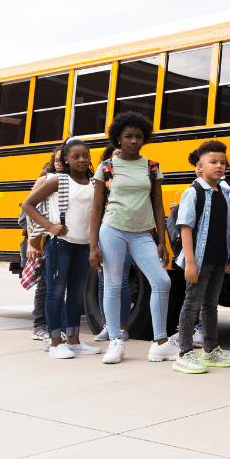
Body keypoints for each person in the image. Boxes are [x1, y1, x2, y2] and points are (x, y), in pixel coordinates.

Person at [90, 111, 175, 365]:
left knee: (162, 281)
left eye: (139, 136)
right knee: (113, 284)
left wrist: (162, 241)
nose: (134, 140)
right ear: (118, 138)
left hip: (142, 233)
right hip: (112, 230)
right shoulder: (107, 167)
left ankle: (160, 343)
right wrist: (93, 245)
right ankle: (115, 341)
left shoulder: (152, 167)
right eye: (128, 136)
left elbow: (158, 204)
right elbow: (96, 208)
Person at [21, 138, 100, 359]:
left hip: (83, 244)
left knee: (75, 293)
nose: (81, 160)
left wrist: (94, 245)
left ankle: (73, 341)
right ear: (66, 159)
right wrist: (50, 226)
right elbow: (27, 205)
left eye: (85, 155)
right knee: (55, 292)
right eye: (75, 156)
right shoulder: (58, 180)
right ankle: (55, 342)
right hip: (59, 244)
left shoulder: (94, 183)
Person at [171, 140, 230, 374]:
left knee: (211, 305)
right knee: (191, 305)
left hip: (218, 259)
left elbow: (224, 226)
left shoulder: (224, 191)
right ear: (199, 167)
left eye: (223, 162)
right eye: (213, 162)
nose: (219, 166)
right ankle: (184, 354)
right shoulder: (193, 193)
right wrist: (190, 263)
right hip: (199, 261)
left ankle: (210, 350)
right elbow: (186, 227)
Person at [25, 147, 64, 341]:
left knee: (56, 283)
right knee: (45, 283)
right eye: (56, 160)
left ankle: (54, 326)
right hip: (43, 237)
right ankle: (40, 325)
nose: (59, 163)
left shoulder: (75, 181)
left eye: (61, 160)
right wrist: (31, 243)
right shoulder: (45, 180)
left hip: (63, 238)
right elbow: (28, 213)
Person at [92, 144, 131, 343]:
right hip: (104, 233)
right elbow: (95, 210)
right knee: (103, 281)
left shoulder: (133, 179)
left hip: (126, 232)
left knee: (121, 280)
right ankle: (108, 326)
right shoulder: (100, 182)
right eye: (116, 155)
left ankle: (122, 327)